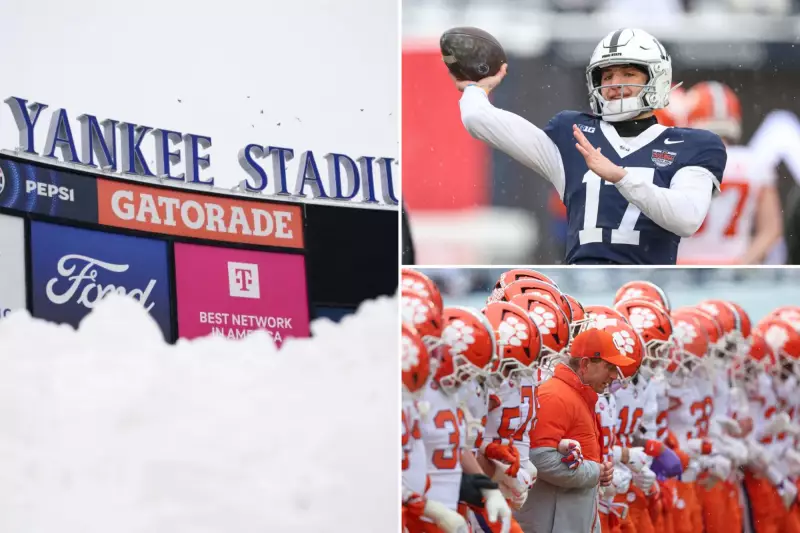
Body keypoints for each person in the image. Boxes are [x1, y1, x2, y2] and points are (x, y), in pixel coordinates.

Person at [455, 28, 726, 265]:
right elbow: (478, 119)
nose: (614, 85)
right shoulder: (574, 133)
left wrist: (621, 177)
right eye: (606, 77)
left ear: (657, 79)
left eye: (628, 74)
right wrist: (474, 89)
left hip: (646, 275)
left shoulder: (692, 144)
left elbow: (687, 218)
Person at [514, 328, 631, 532]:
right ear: (585, 364)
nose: (614, 376)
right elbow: (539, 460)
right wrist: (595, 472)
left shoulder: (577, 395)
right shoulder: (555, 395)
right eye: (609, 367)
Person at [676, 81, 783, 265]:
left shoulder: (674, 161)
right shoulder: (755, 163)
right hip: (733, 262)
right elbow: (771, 229)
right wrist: (744, 263)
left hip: (680, 264)